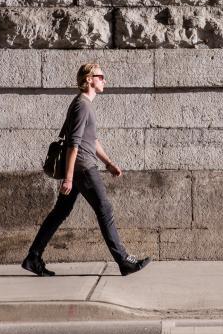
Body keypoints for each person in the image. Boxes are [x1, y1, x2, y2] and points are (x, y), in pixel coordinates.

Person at [22, 62, 151, 277]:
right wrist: (69, 178)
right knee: (105, 209)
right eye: (101, 76)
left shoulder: (84, 104)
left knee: (60, 213)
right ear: (89, 79)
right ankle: (123, 260)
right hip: (82, 167)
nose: (104, 80)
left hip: (81, 166)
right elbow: (74, 143)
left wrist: (108, 163)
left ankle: (33, 257)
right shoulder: (82, 105)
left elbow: (92, 140)